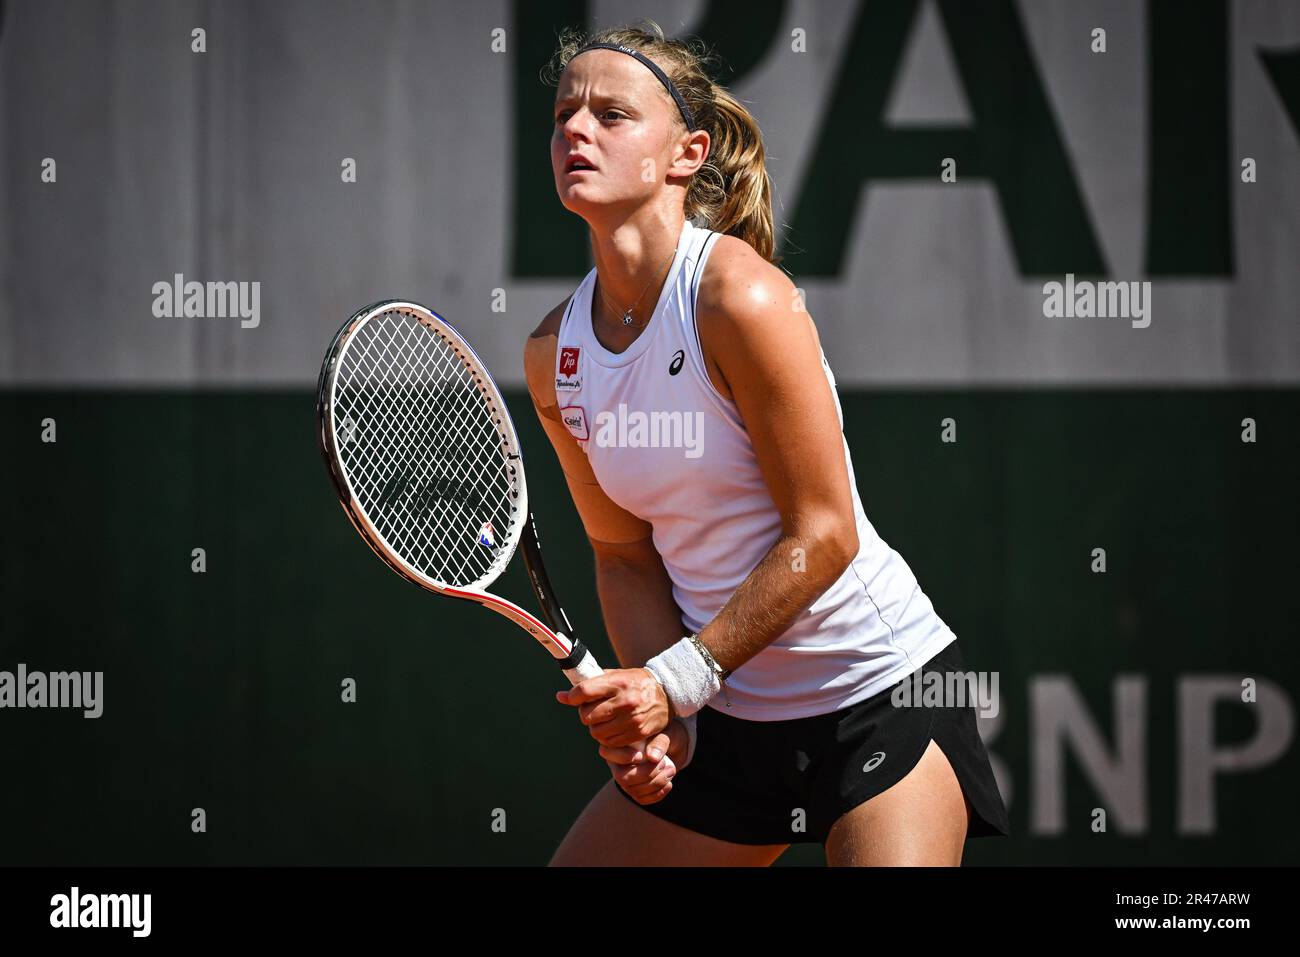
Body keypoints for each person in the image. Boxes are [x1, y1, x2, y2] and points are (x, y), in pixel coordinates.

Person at [523, 21, 1009, 866]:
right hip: (726, 723)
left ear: (685, 154)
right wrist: (667, 717)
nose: (574, 129)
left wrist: (674, 679)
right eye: (565, 111)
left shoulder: (740, 297)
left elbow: (825, 532)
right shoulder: (552, 356)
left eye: (611, 114)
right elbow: (623, 552)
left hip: (875, 698)